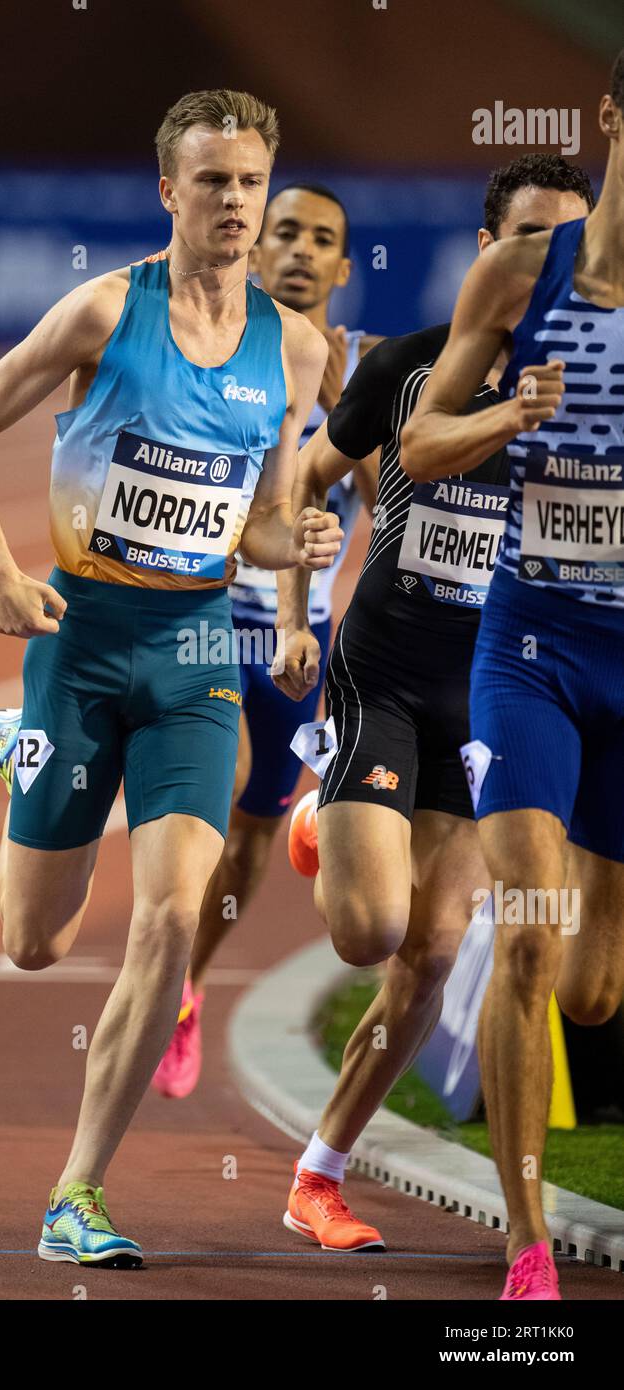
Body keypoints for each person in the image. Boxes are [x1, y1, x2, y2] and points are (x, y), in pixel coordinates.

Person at [0, 88, 342, 1268]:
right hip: (79, 640)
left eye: (250, 182)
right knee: (34, 942)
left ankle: (77, 1193)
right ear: (170, 191)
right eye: (211, 182)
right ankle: (15, 737)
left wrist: (299, 542)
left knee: (170, 918)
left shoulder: (298, 348)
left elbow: (262, 526)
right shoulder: (105, 312)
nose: (233, 203)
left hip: (198, 654)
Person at [280, 154, 594, 1259]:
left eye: (570, 239)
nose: (549, 263)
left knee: (437, 942)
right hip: (385, 666)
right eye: (529, 240)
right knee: (370, 931)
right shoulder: (413, 367)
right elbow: (314, 471)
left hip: (493, 692)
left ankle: (319, 1174)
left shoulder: (592, 382)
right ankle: (320, 811)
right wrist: (293, 592)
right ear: (486, 251)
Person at [401, 53, 624, 1302]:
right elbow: (423, 442)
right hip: (532, 642)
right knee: (535, 938)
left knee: (594, 994)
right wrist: (506, 418)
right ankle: (526, 1243)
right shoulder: (521, 272)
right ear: (611, 117)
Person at [153, 182, 381, 1098]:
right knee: (199, 807)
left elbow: (387, 493)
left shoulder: (372, 366)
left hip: (299, 636)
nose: (296, 250)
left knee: (249, 841)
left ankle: (189, 987)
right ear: (256, 243)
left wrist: (341, 397)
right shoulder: (210, 341)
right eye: (283, 230)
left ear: (340, 265)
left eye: (319, 239)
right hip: (203, 621)